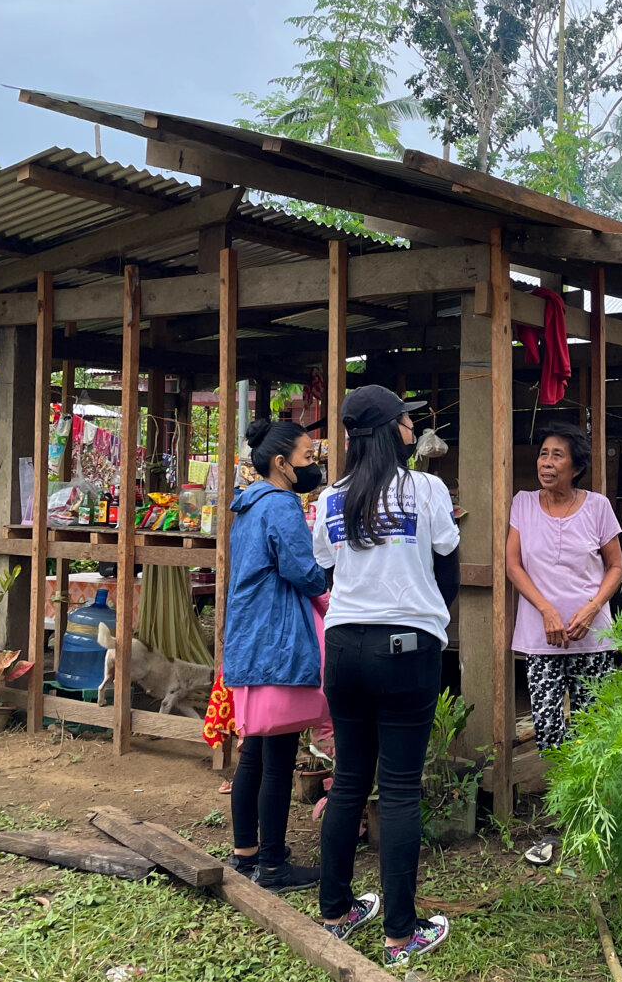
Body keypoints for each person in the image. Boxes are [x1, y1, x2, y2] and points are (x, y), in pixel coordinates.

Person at [312, 384, 460, 969]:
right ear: (392, 430)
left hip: (343, 647)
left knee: (349, 780)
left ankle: (336, 912)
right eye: (407, 422)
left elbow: (325, 569)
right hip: (409, 648)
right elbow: (445, 564)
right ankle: (400, 934)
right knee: (398, 788)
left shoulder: (329, 498)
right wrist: (430, 615)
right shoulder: (425, 489)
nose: (412, 430)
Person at [223, 419, 329, 891]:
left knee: (255, 752)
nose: (314, 464)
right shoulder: (283, 505)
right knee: (280, 752)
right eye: (308, 457)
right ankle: (272, 867)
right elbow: (303, 571)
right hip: (278, 639)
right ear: (282, 464)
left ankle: (245, 852)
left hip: (248, 639)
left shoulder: (245, 505)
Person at [506, 424, 622, 753]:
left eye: (557, 456)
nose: (546, 462)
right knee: (547, 726)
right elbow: (512, 564)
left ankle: (591, 799)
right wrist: (546, 610)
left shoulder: (597, 507)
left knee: (595, 725)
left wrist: (592, 608)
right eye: (543, 454)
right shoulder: (523, 503)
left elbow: (616, 566)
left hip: (591, 636)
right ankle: (561, 794)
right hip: (542, 636)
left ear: (576, 468)